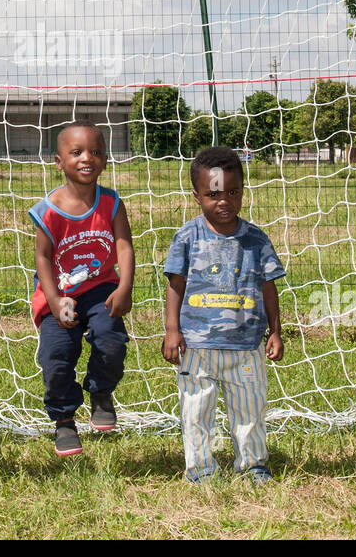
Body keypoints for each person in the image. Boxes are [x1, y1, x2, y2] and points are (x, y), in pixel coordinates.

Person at [162, 146, 285, 483]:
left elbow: (268, 286)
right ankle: (200, 469)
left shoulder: (256, 240)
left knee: (249, 411)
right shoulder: (187, 237)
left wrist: (275, 330)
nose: (224, 201)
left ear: (242, 191)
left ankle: (253, 466)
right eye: (213, 194)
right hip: (198, 347)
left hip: (246, 348)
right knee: (196, 412)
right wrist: (172, 330)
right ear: (197, 195)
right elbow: (175, 285)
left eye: (233, 192)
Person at [29, 121, 134, 456]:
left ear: (104, 160)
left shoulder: (112, 203)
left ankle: (101, 393)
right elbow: (43, 258)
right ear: (59, 162)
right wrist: (55, 300)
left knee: (111, 342)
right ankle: (63, 421)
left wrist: (125, 288)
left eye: (95, 151)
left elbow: (124, 246)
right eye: (76, 152)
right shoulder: (49, 210)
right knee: (56, 357)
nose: (86, 158)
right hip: (58, 290)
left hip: (101, 287)